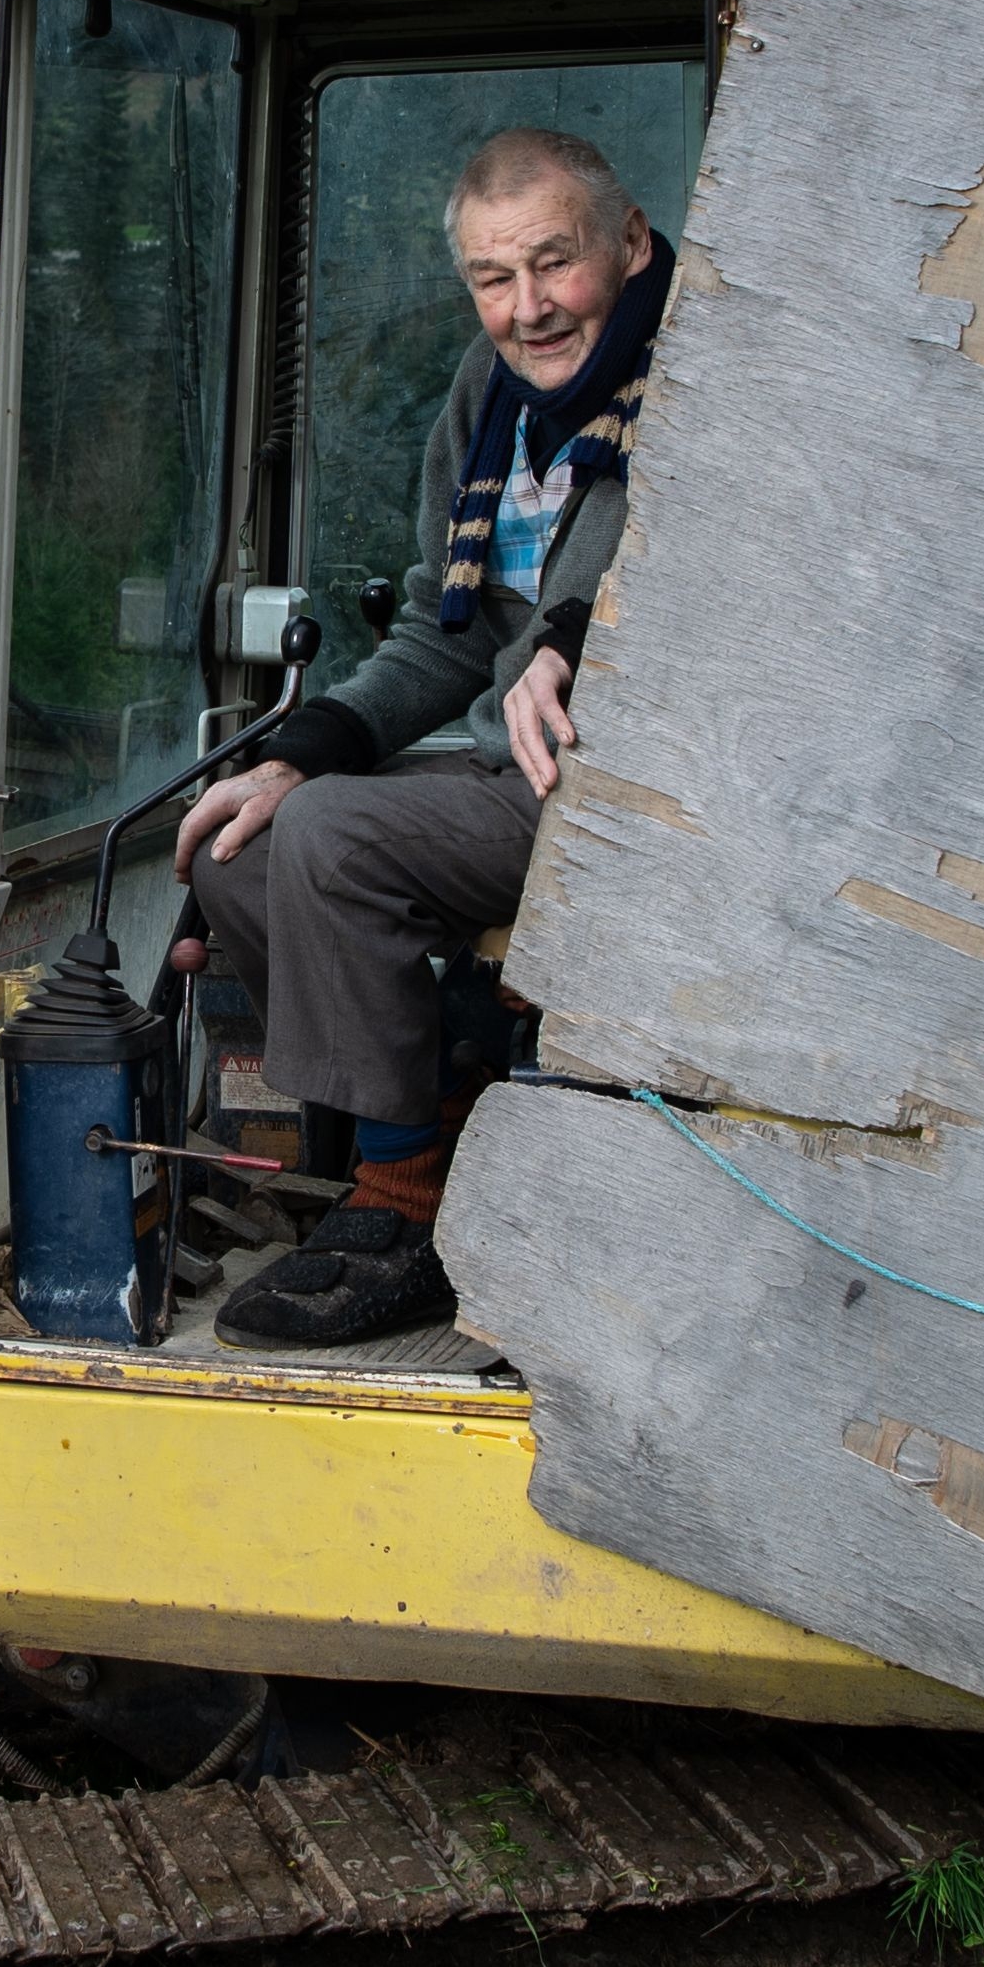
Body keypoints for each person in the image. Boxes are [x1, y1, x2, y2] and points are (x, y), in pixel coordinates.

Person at [174, 123, 669, 1346]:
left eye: (553, 265)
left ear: (631, 244)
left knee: (338, 838)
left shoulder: (700, 381)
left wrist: (568, 640)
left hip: (631, 786)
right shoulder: (488, 406)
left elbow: (645, 570)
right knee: (238, 839)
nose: (528, 308)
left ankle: (402, 1204)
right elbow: (453, 633)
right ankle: (433, 1101)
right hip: (520, 762)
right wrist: (299, 749)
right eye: (494, 279)